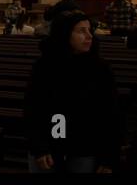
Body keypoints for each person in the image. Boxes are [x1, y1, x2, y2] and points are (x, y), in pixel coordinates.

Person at [24, 12, 121, 173]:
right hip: (49, 146)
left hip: (85, 146)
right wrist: (39, 147)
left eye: (89, 30)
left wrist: (109, 157)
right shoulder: (45, 66)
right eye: (81, 31)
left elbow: (110, 114)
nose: (89, 36)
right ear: (65, 34)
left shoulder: (100, 69)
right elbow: (34, 108)